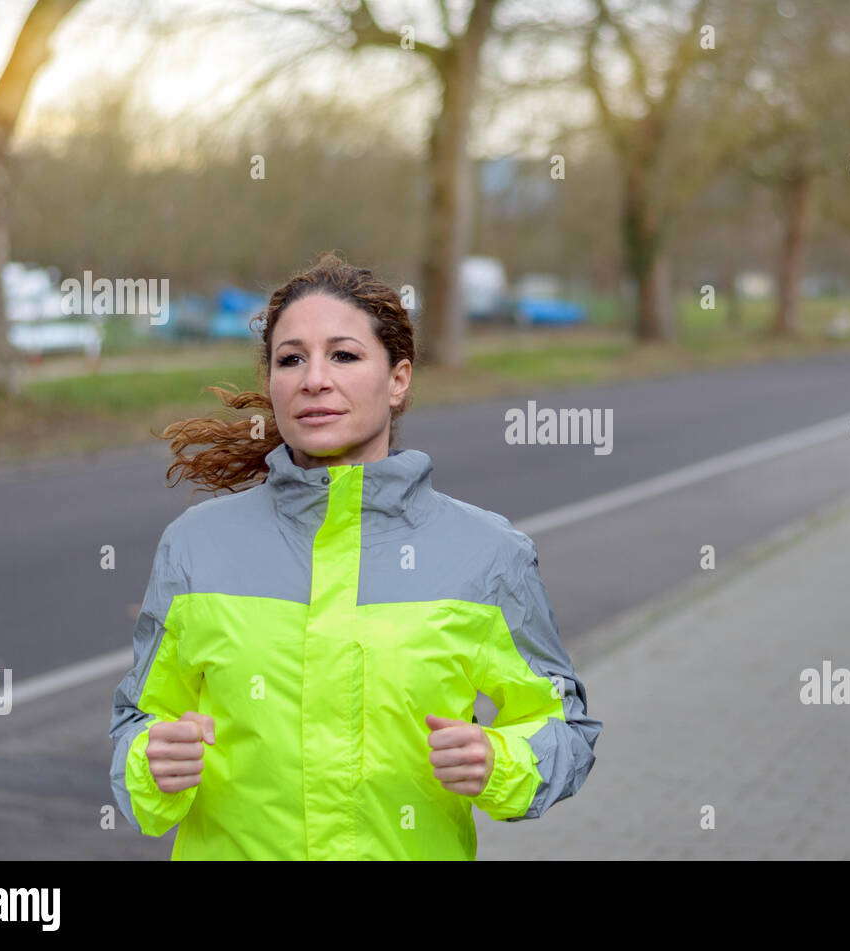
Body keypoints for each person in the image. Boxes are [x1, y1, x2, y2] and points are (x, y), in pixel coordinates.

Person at [108, 252, 601, 859]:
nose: (314, 378)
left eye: (343, 355)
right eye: (291, 359)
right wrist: (153, 762)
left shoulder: (489, 554)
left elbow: (565, 731)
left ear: (398, 380)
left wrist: (501, 762)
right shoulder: (193, 545)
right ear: (272, 384)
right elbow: (140, 720)